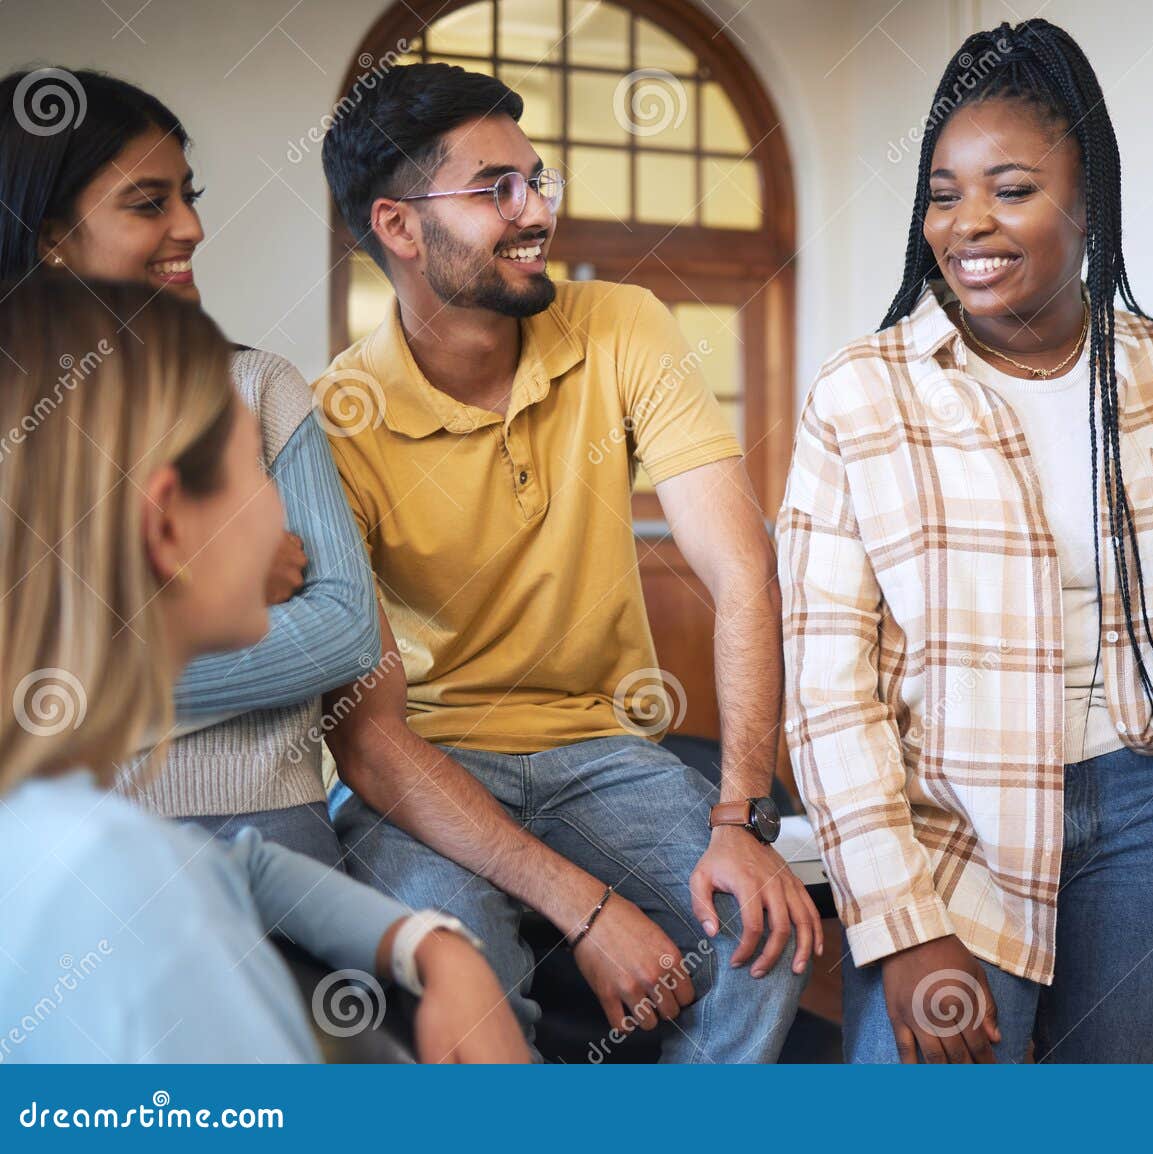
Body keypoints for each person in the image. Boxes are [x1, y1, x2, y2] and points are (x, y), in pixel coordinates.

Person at [778, 19, 1153, 1063]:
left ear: (1089, 204)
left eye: (1012, 189)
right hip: (948, 825)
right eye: (944, 194)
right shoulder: (863, 395)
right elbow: (826, 689)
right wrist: (901, 924)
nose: (968, 225)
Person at [311, 61, 815, 1062]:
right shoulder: (335, 420)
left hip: (604, 746)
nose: (536, 210)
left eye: (537, 180)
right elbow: (368, 742)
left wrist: (741, 815)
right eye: (495, 189)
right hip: (428, 765)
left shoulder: (622, 325)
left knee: (760, 929)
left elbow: (743, 571)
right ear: (398, 226)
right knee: (466, 976)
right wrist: (586, 909)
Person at [0, 276, 527, 1063]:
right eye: (255, 470)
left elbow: (227, 865)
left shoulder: (57, 827)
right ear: (169, 526)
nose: (286, 515)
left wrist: (428, 942)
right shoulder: (148, 915)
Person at [0, 68, 381, 866]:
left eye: (189, 195)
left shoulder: (260, 386)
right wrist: (221, 582)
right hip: (53, 840)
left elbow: (346, 636)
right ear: (52, 239)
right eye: (149, 204)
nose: (194, 227)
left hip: (271, 824)